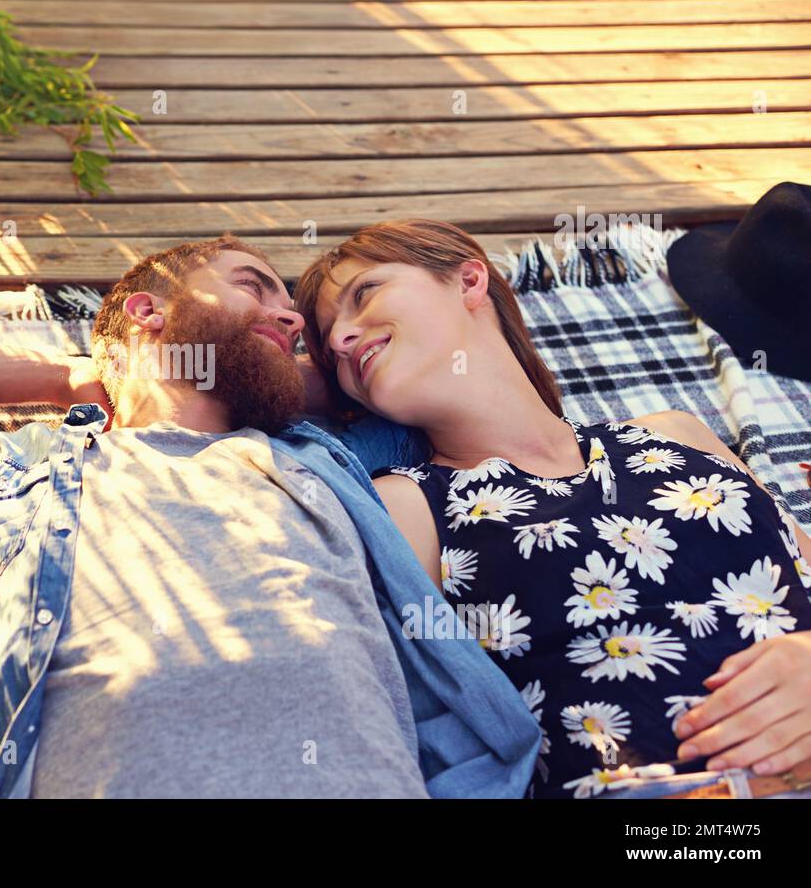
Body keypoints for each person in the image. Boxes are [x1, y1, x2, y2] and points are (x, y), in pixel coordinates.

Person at [0, 234, 541, 799]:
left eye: (293, 320)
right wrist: (71, 375)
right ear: (148, 309)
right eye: (255, 287)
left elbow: (401, 396)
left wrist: (278, 374)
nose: (291, 319)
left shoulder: (327, 462)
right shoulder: (7, 489)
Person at [294, 219, 811, 798]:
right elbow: (383, 713)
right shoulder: (405, 506)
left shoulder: (676, 434)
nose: (341, 339)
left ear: (469, 280)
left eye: (365, 294)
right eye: (328, 344)